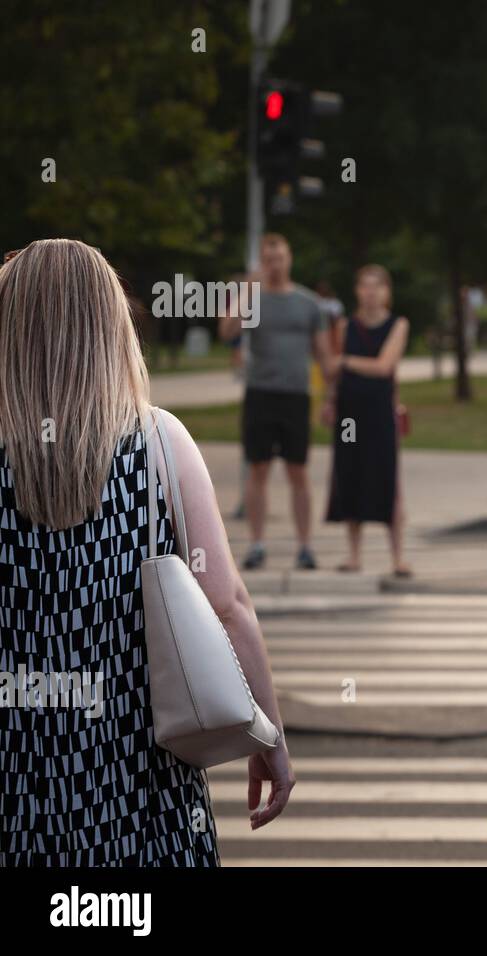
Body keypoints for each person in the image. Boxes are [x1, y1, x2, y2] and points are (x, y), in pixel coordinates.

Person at [0, 239, 294, 865]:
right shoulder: (158, 440)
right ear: (112, 328)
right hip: (139, 781)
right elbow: (227, 605)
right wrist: (267, 735)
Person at [219, 233, 333, 571]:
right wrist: (247, 290)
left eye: (279, 258)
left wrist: (331, 396)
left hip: (296, 395)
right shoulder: (253, 299)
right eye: (268, 260)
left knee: (298, 470)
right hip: (260, 394)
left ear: (290, 259)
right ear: (261, 263)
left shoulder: (309, 303)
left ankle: (305, 545)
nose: (275, 265)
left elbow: (323, 353)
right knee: (259, 468)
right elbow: (227, 332)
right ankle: (256, 543)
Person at [324, 264, 412, 577]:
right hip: (349, 413)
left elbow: (384, 367)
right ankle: (353, 555)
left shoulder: (398, 325)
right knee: (350, 476)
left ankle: (398, 557)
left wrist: (346, 361)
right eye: (364, 286)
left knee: (388, 481)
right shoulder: (346, 327)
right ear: (357, 291)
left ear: (387, 292)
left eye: (377, 286)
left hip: (379, 413)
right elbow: (331, 372)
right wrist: (328, 400)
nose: (370, 292)